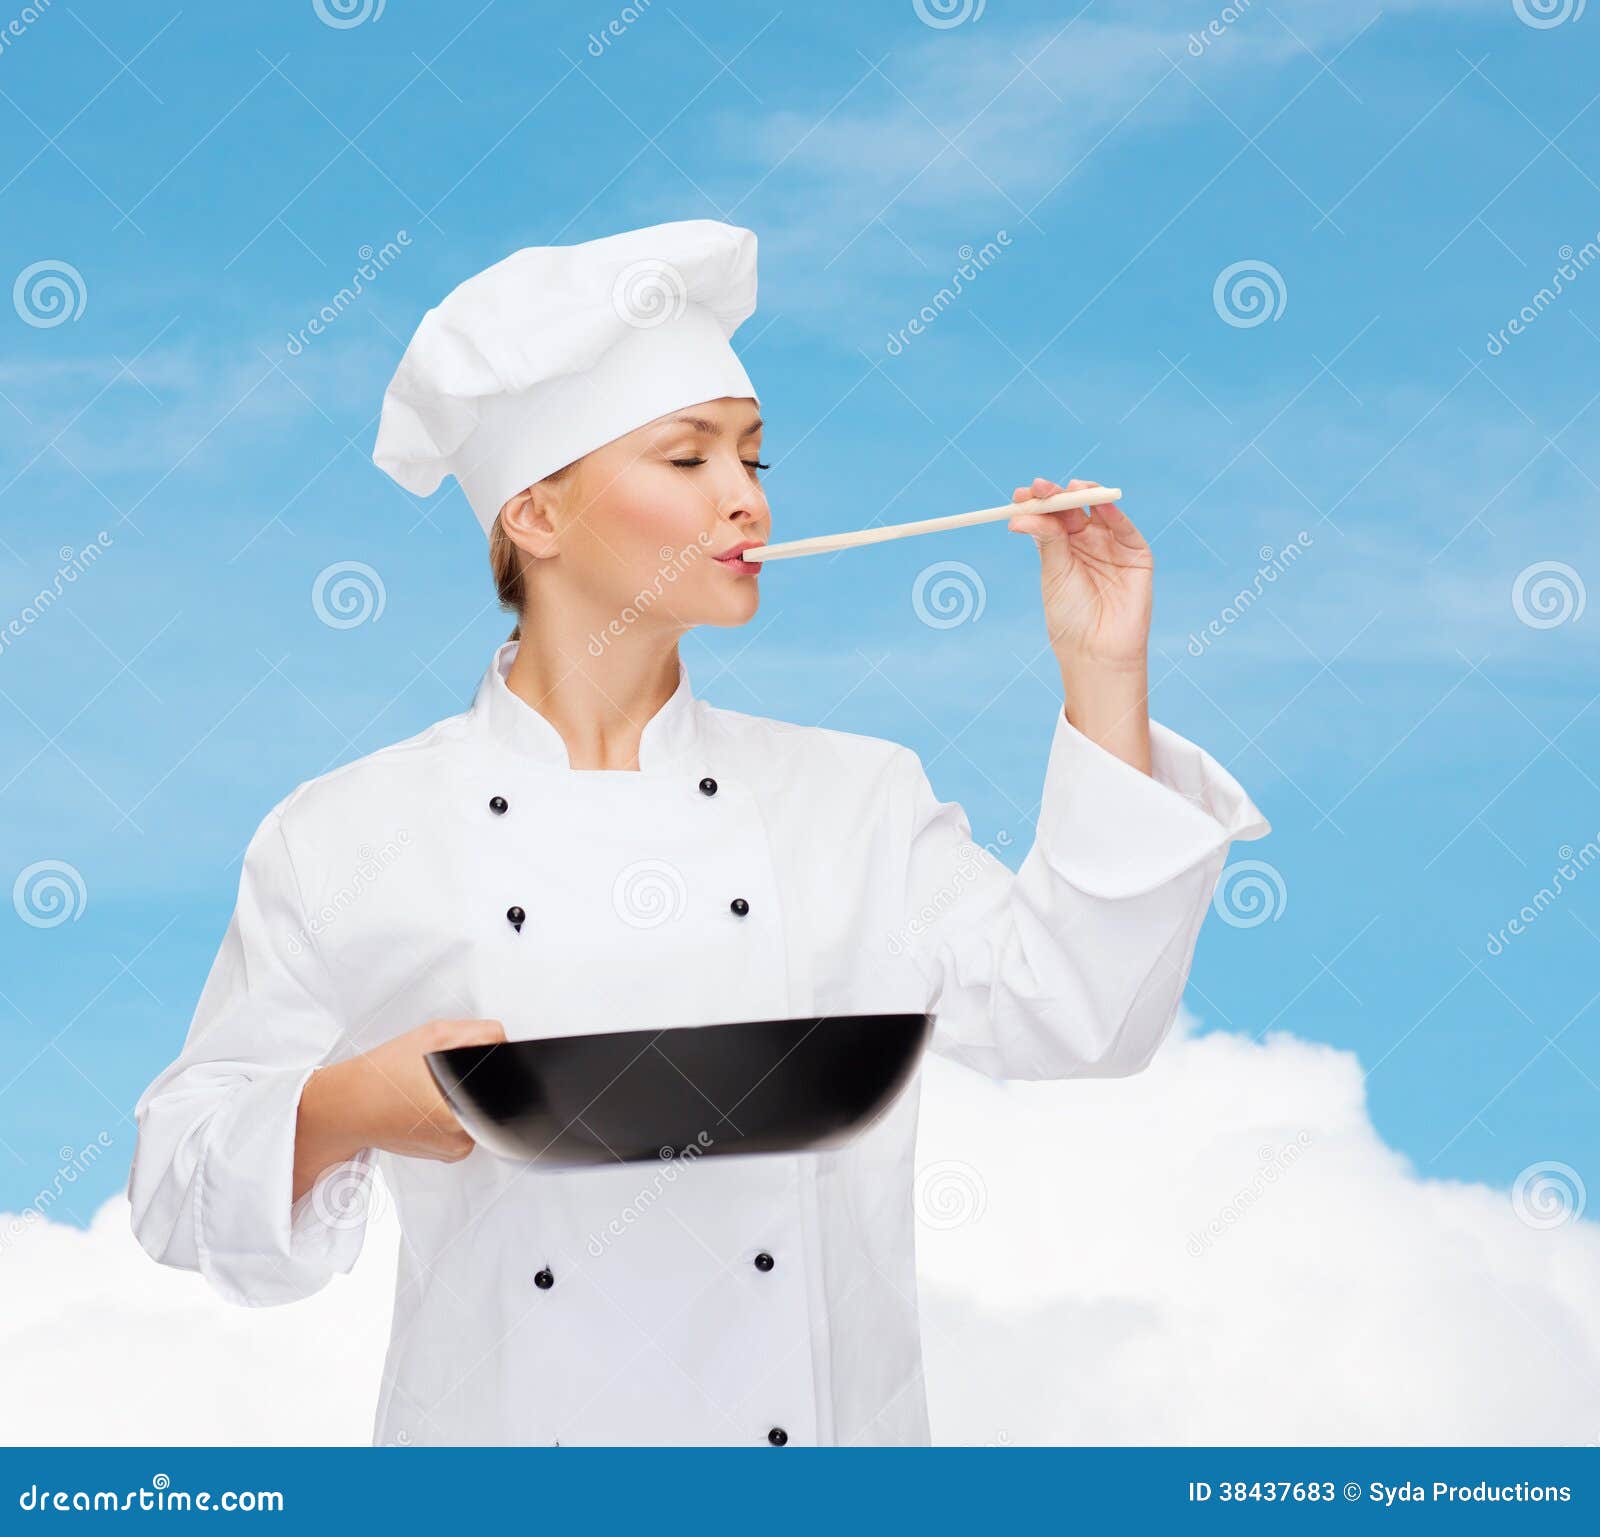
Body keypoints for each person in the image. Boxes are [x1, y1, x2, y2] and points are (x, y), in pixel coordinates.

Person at [127, 219, 1271, 1447]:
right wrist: (343, 1107)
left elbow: (1081, 1015)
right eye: (687, 457)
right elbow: (177, 1191)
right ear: (536, 517)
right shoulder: (350, 831)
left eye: (757, 459)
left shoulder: (855, 800)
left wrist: (1103, 670)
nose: (748, 499)